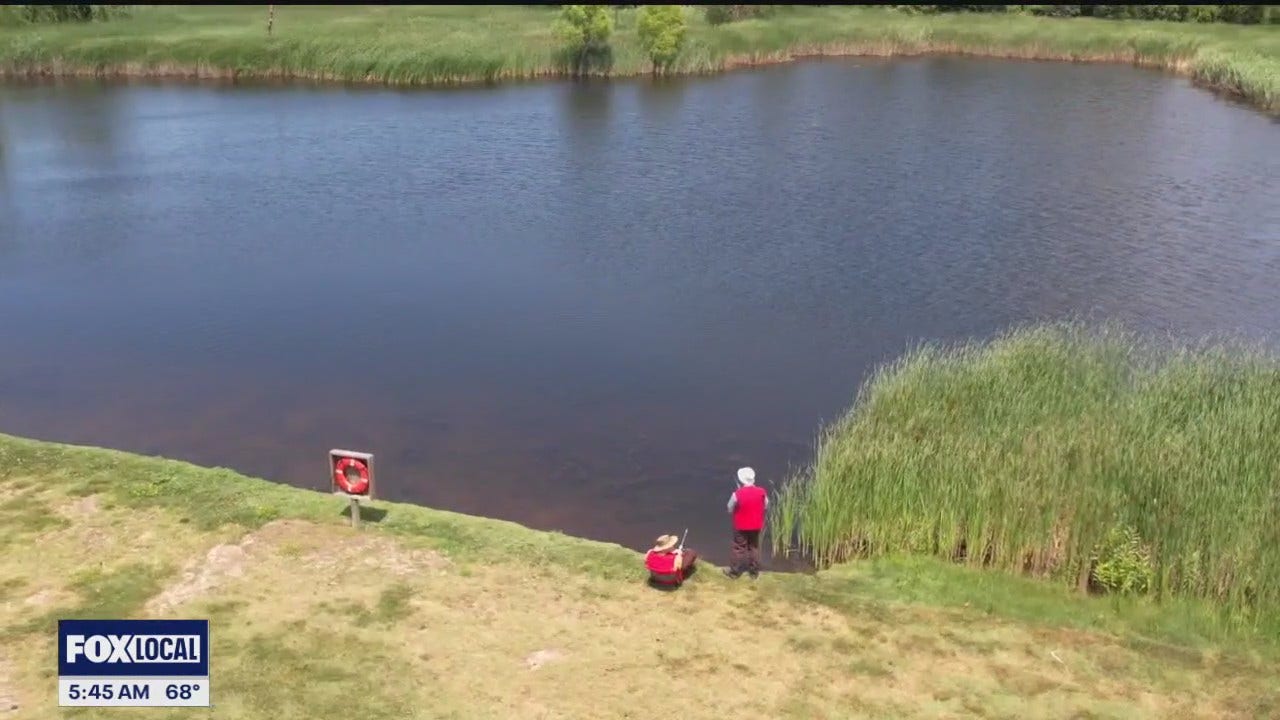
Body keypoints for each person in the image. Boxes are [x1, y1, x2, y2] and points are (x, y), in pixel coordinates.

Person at [724, 466, 767, 579]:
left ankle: (734, 572)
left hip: (741, 526)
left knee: (739, 548)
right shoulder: (762, 492)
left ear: (741, 480)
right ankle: (754, 572)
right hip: (756, 525)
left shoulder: (737, 494)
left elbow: (729, 508)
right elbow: (766, 505)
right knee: (754, 547)